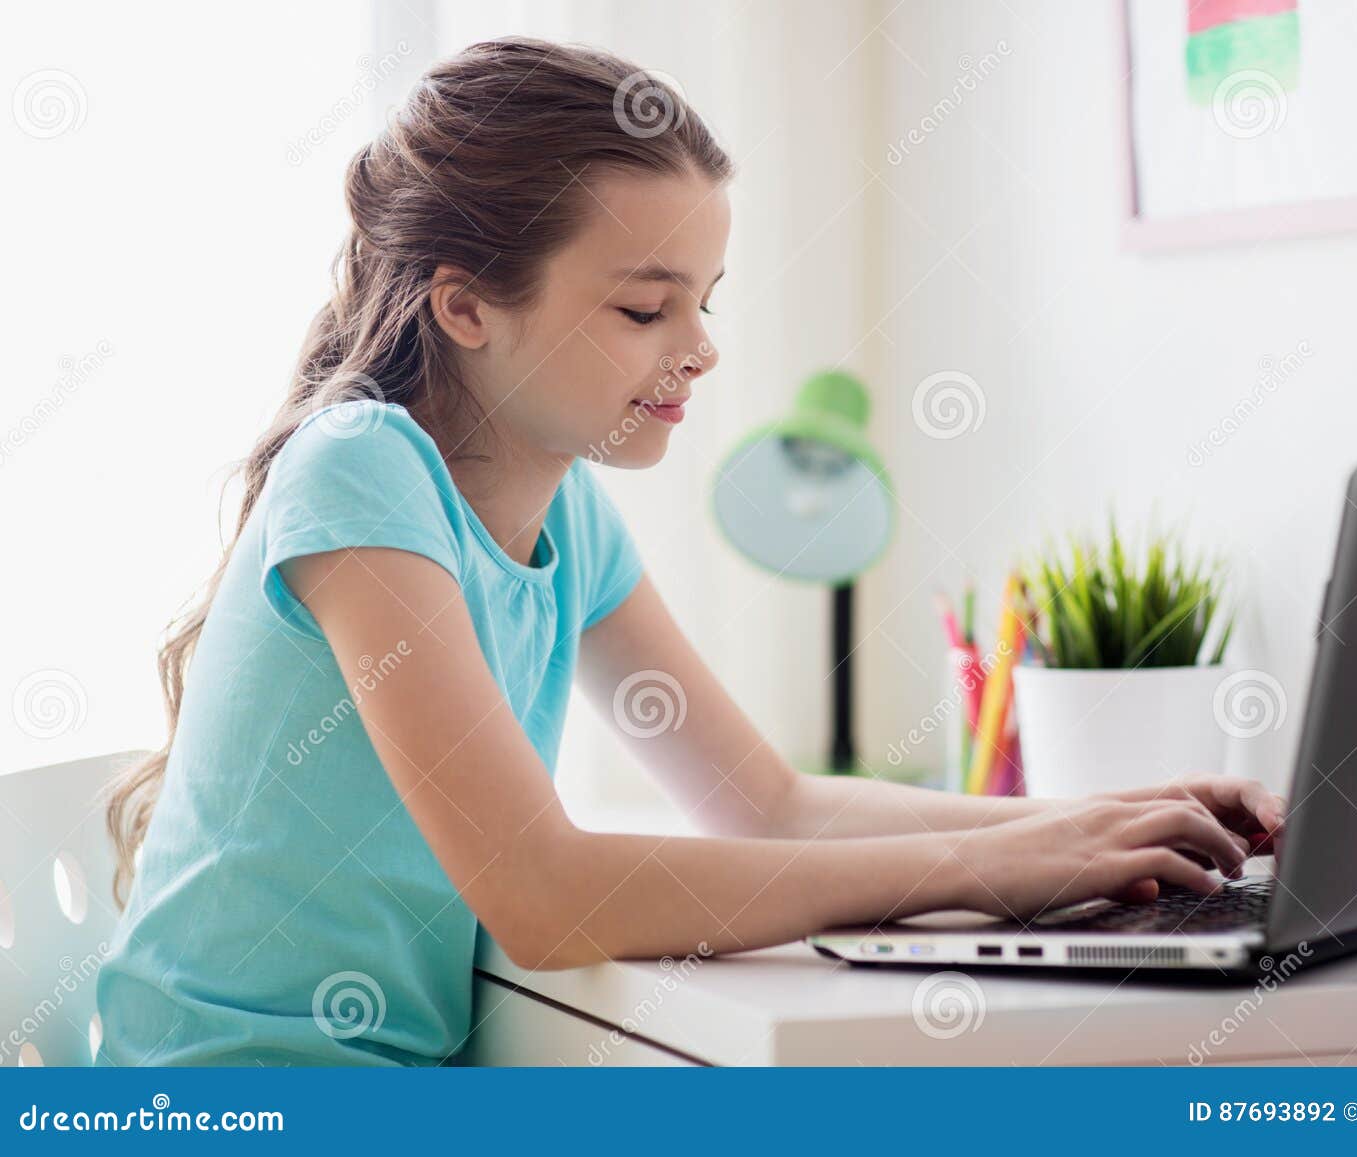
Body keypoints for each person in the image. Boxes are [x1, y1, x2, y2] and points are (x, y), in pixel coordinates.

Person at [96, 37, 1284, 1067]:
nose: (701, 349)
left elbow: (766, 804)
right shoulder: (360, 470)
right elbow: (543, 894)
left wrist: (1092, 823)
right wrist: (987, 873)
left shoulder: (570, 515)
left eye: (705, 300)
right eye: (642, 308)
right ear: (465, 307)